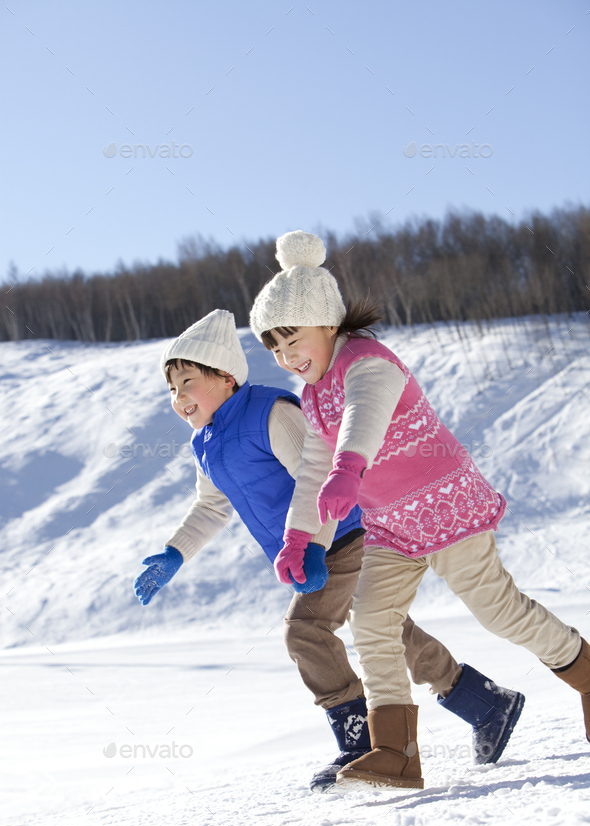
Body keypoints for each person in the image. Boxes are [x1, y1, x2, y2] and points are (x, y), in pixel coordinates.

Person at [249, 229, 590, 792]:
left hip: (444, 509)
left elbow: (365, 416)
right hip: (391, 528)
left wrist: (348, 469)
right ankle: (396, 753)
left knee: (499, 611)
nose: (287, 357)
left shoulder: (367, 362)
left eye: (294, 340)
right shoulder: (311, 397)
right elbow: (313, 468)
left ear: (328, 323)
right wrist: (301, 537)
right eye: (275, 348)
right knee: (374, 623)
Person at [133, 308, 525, 793]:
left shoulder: (270, 413)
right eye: (171, 389)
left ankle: (359, 738)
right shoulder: (205, 444)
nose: (179, 397)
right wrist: (174, 554)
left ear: (226, 376)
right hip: (315, 548)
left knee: (306, 630)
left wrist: (313, 545)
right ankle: (483, 702)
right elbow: (211, 508)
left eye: (188, 381)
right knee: (385, 629)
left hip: (346, 533)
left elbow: (314, 477)